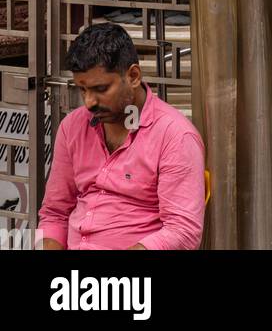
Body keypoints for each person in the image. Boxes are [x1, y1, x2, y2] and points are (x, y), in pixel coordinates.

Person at [38, 23, 205, 250]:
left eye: (101, 89)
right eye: (82, 90)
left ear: (133, 76)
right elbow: (54, 213)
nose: (89, 102)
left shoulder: (175, 136)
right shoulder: (73, 127)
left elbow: (183, 232)